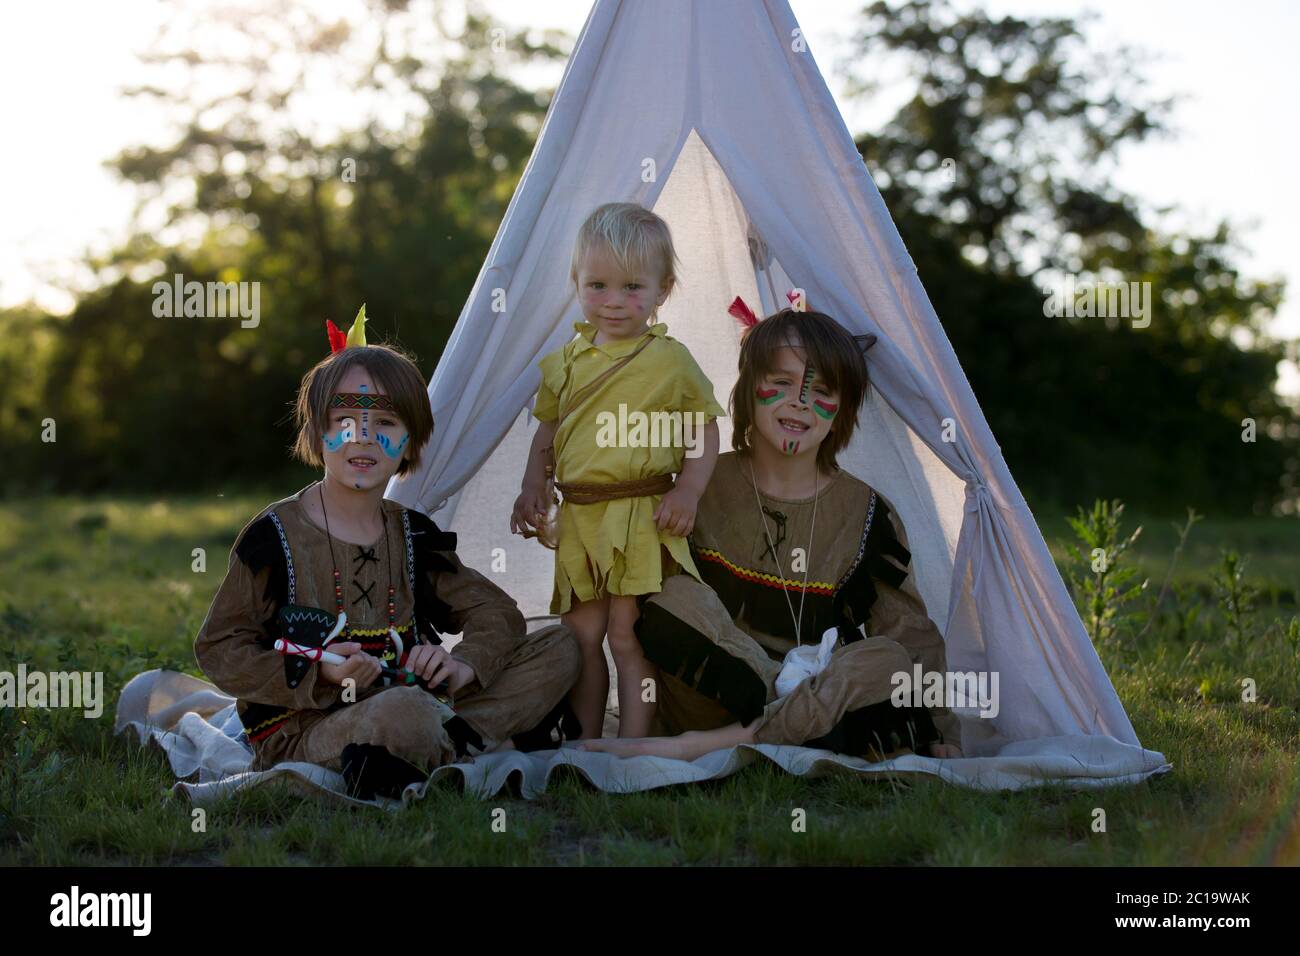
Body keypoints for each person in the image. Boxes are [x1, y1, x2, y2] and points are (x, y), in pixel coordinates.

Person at [194, 307, 581, 800]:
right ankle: (465, 749)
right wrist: (320, 673)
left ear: (409, 442)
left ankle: (431, 752)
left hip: (420, 701)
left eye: (384, 422)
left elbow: (496, 611)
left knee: (560, 644)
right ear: (318, 431)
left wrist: (461, 663)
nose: (362, 437)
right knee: (404, 713)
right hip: (311, 728)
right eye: (345, 420)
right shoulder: (272, 538)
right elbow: (219, 648)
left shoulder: (413, 535)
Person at [581, 304, 964, 762]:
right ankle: (760, 729)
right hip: (706, 702)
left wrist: (942, 731)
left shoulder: (867, 512)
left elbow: (911, 632)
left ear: (842, 410)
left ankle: (728, 743)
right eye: (781, 384)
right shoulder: (696, 484)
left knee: (889, 657)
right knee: (676, 596)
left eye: (820, 390)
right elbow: (641, 600)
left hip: (820, 700)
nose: (798, 402)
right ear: (746, 390)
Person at [511, 203, 725, 739]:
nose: (613, 301)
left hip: (640, 515)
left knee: (628, 637)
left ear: (663, 289)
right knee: (579, 635)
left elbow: (705, 430)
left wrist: (690, 491)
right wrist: (532, 484)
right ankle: (586, 744)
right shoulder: (565, 363)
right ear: (577, 282)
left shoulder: (670, 361)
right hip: (580, 518)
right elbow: (548, 433)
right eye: (597, 285)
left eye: (632, 287)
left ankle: (633, 746)